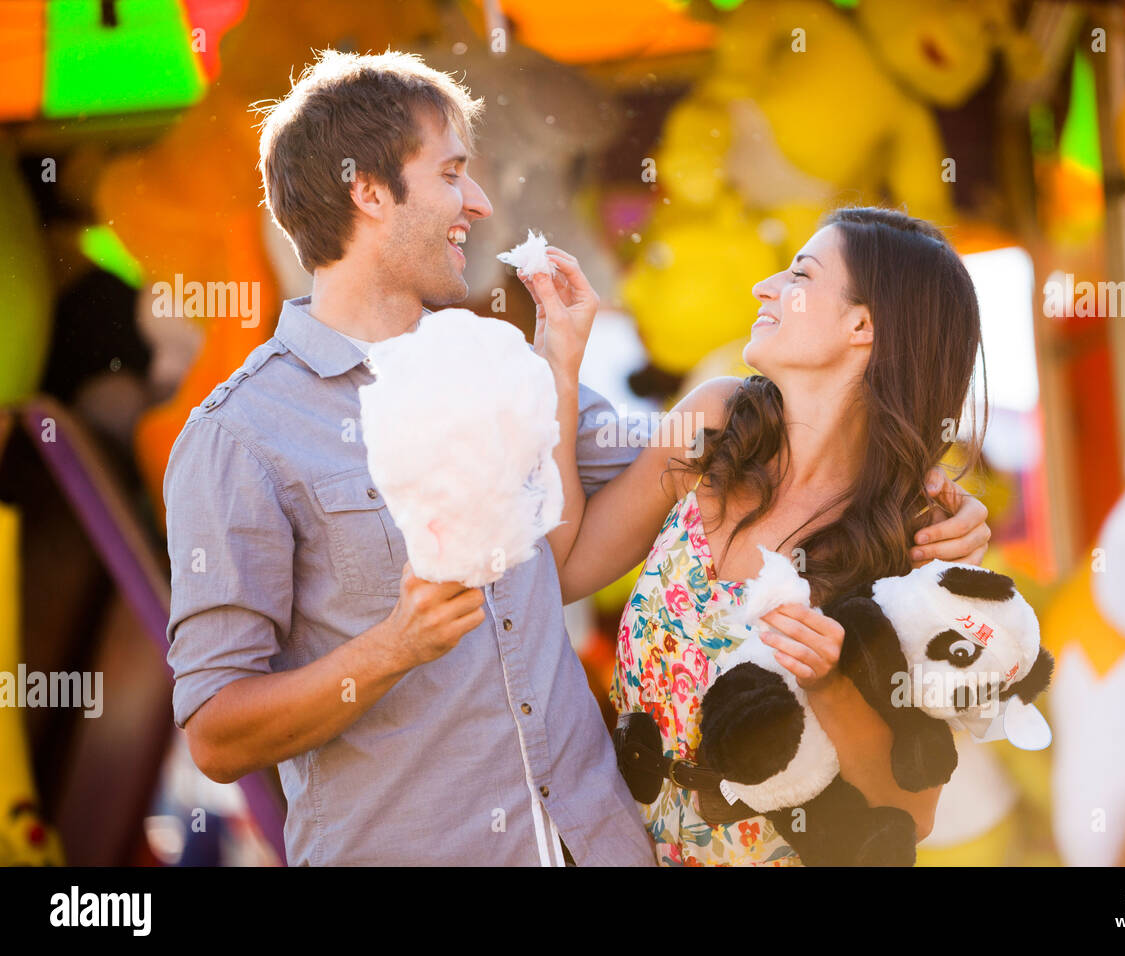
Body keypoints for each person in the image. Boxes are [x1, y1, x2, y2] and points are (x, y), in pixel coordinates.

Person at [162, 50, 658, 866]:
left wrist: (924, 480)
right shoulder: (239, 436)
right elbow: (216, 730)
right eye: (452, 173)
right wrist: (396, 646)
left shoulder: (501, 364)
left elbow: (676, 460)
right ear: (369, 192)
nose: (480, 202)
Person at [525, 206, 990, 865]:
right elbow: (563, 570)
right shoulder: (716, 423)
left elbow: (907, 813)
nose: (763, 287)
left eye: (800, 273)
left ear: (864, 324)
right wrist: (560, 367)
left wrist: (829, 684)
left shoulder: (918, 545)